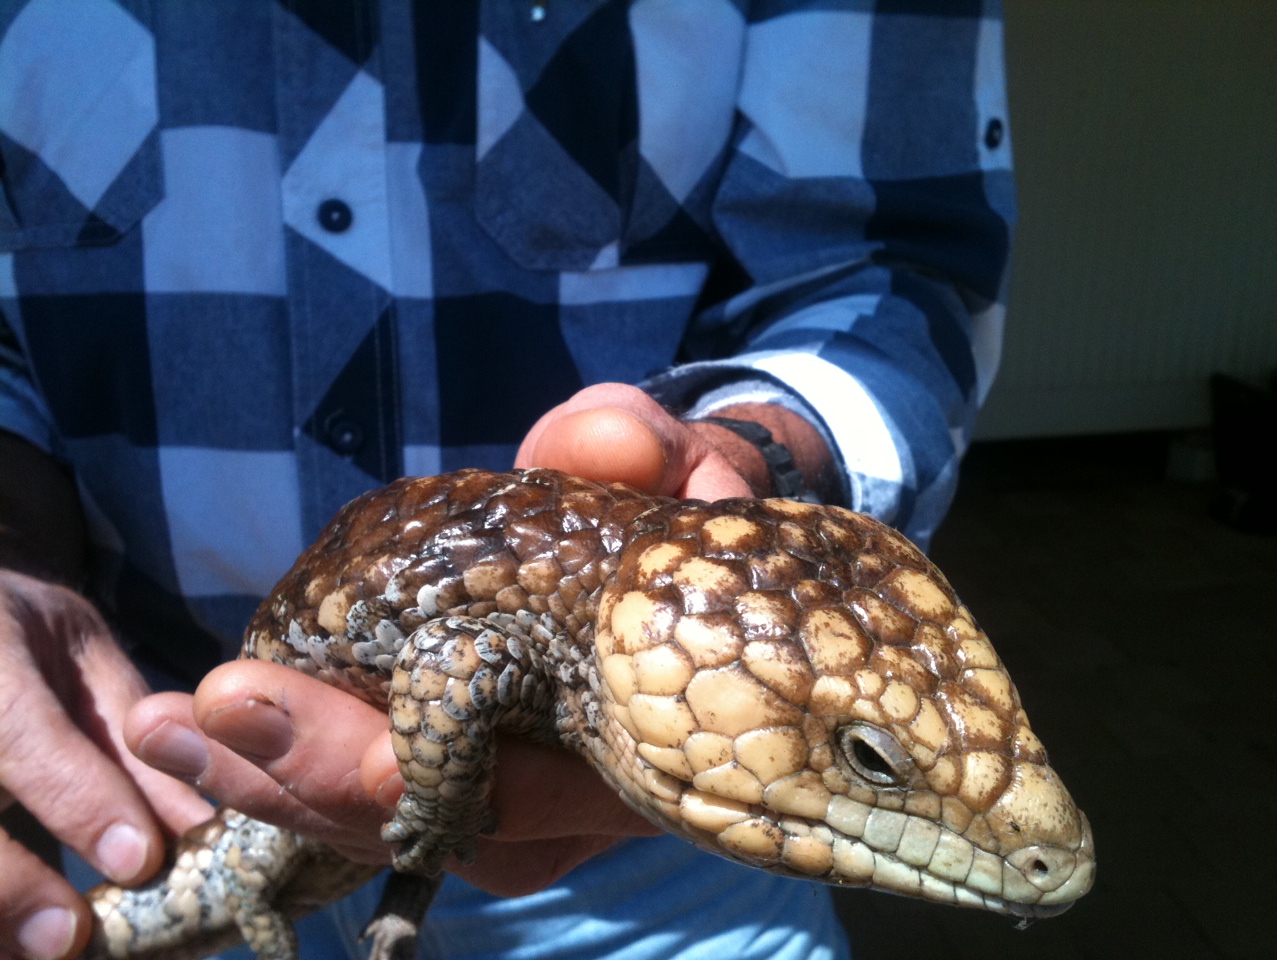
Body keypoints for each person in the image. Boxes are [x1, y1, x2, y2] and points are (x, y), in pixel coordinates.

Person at [0, 2, 1015, 958]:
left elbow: (890, 264)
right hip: (160, 762)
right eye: (870, 766)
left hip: (669, 843)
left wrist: (755, 460)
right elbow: (461, 662)